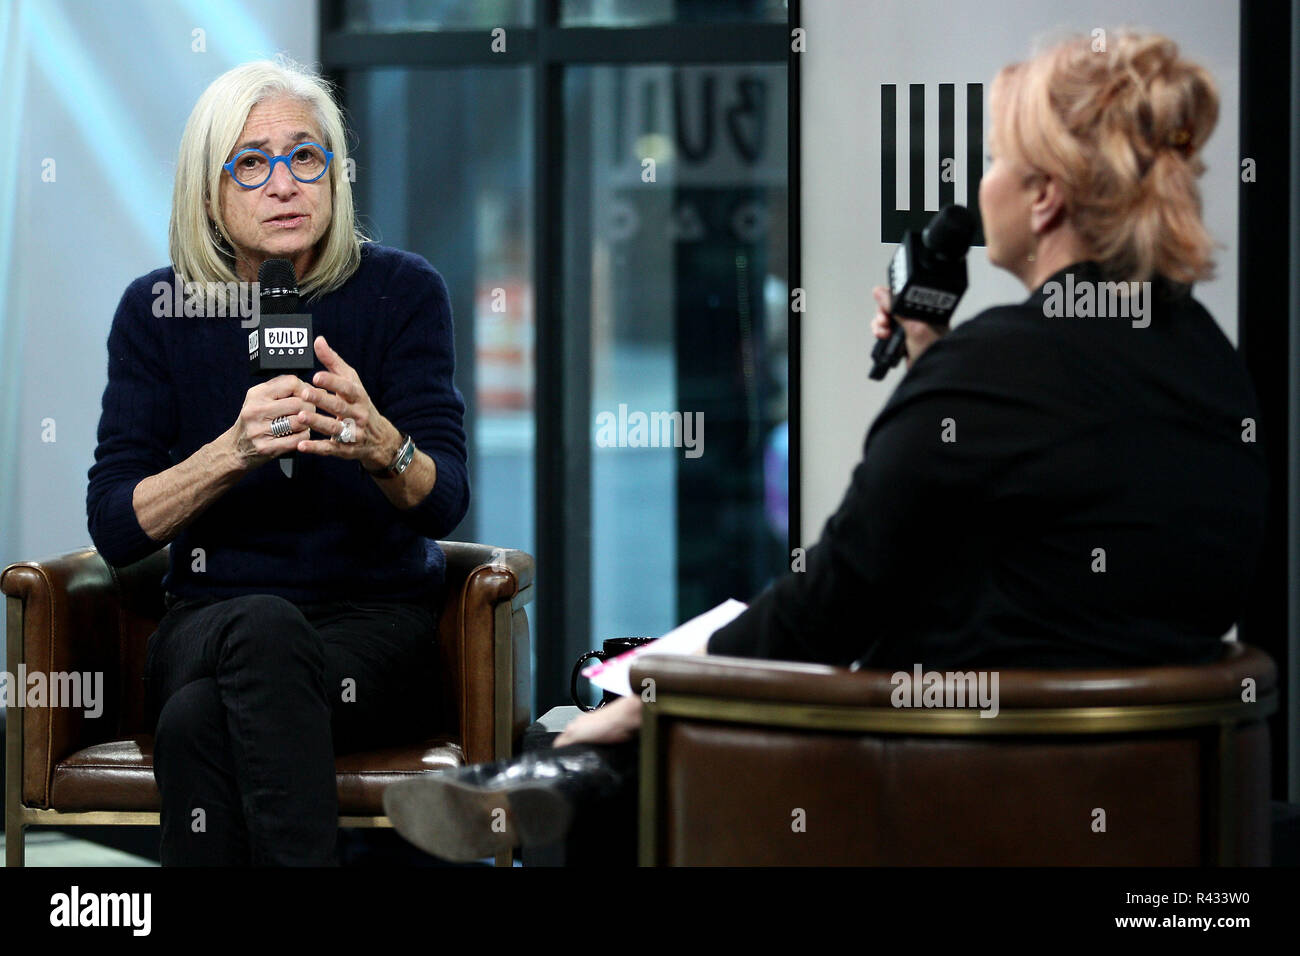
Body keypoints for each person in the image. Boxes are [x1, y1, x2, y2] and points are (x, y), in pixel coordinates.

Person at [385, 29, 1268, 863]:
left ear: (1045, 199)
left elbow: (834, 598)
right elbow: (1048, 552)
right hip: (1132, 781)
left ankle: (565, 767)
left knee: (606, 714)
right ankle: (564, 772)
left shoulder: (996, 370)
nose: (982, 182)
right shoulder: (1208, 365)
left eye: (998, 157)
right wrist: (935, 364)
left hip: (954, 770)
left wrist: (656, 694)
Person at [85, 57, 469, 866]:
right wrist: (230, 452)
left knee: (196, 722)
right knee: (258, 626)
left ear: (335, 174)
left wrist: (383, 446)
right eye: (252, 163)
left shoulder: (402, 292)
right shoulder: (159, 312)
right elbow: (118, 526)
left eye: (306, 157)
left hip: (371, 635)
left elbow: (445, 502)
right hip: (207, 622)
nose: (285, 184)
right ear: (210, 190)